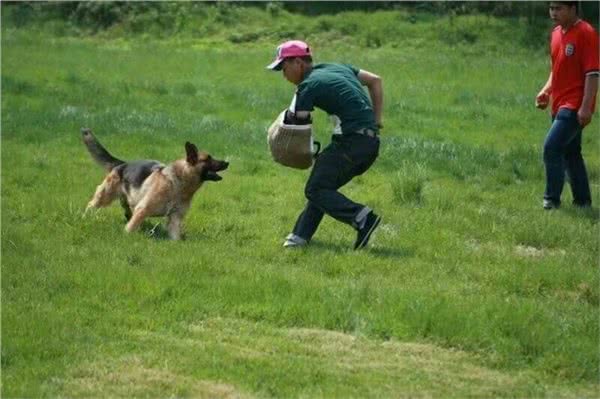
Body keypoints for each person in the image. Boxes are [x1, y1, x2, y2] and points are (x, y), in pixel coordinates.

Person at [266, 40, 383, 249]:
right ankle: (298, 238)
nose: (284, 75)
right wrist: (376, 120)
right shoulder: (337, 68)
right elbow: (375, 80)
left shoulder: (307, 86)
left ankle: (362, 217)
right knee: (323, 184)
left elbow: (296, 130)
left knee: (316, 188)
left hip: (351, 142)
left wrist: (301, 153)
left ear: (298, 63)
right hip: (370, 142)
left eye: (284, 68)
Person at [535, 1, 599, 210]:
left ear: (573, 8)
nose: (553, 12)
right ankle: (583, 202)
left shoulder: (586, 33)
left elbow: (592, 73)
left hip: (574, 105)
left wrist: (586, 107)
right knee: (571, 152)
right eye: (551, 8)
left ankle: (551, 200)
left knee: (551, 147)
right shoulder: (555, 33)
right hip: (559, 103)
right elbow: (557, 69)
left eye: (559, 8)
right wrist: (546, 90)